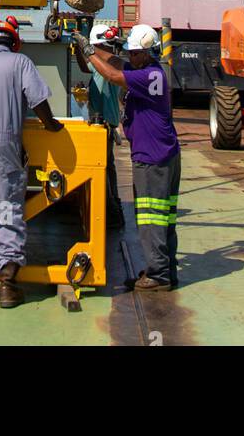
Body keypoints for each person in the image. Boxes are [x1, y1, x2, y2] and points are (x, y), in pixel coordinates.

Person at [0, 16, 64, 309]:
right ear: (14, 40)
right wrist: (51, 124)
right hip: (2, 148)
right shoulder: (20, 63)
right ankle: (7, 284)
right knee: (7, 209)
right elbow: (37, 100)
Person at [74, 22, 180, 291]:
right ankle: (165, 267)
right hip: (164, 154)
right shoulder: (148, 68)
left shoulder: (149, 76)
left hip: (152, 158)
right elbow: (118, 62)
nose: (130, 56)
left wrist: (88, 51)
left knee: (150, 218)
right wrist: (89, 45)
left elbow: (112, 74)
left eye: (134, 53)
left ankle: (158, 275)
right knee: (165, 217)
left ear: (147, 53)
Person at [73, 23, 125, 229]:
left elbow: (87, 65)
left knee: (103, 171)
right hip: (106, 123)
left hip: (102, 124)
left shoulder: (107, 66)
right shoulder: (109, 64)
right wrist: (79, 49)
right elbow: (85, 66)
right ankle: (114, 212)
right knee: (109, 169)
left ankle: (112, 213)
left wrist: (82, 47)